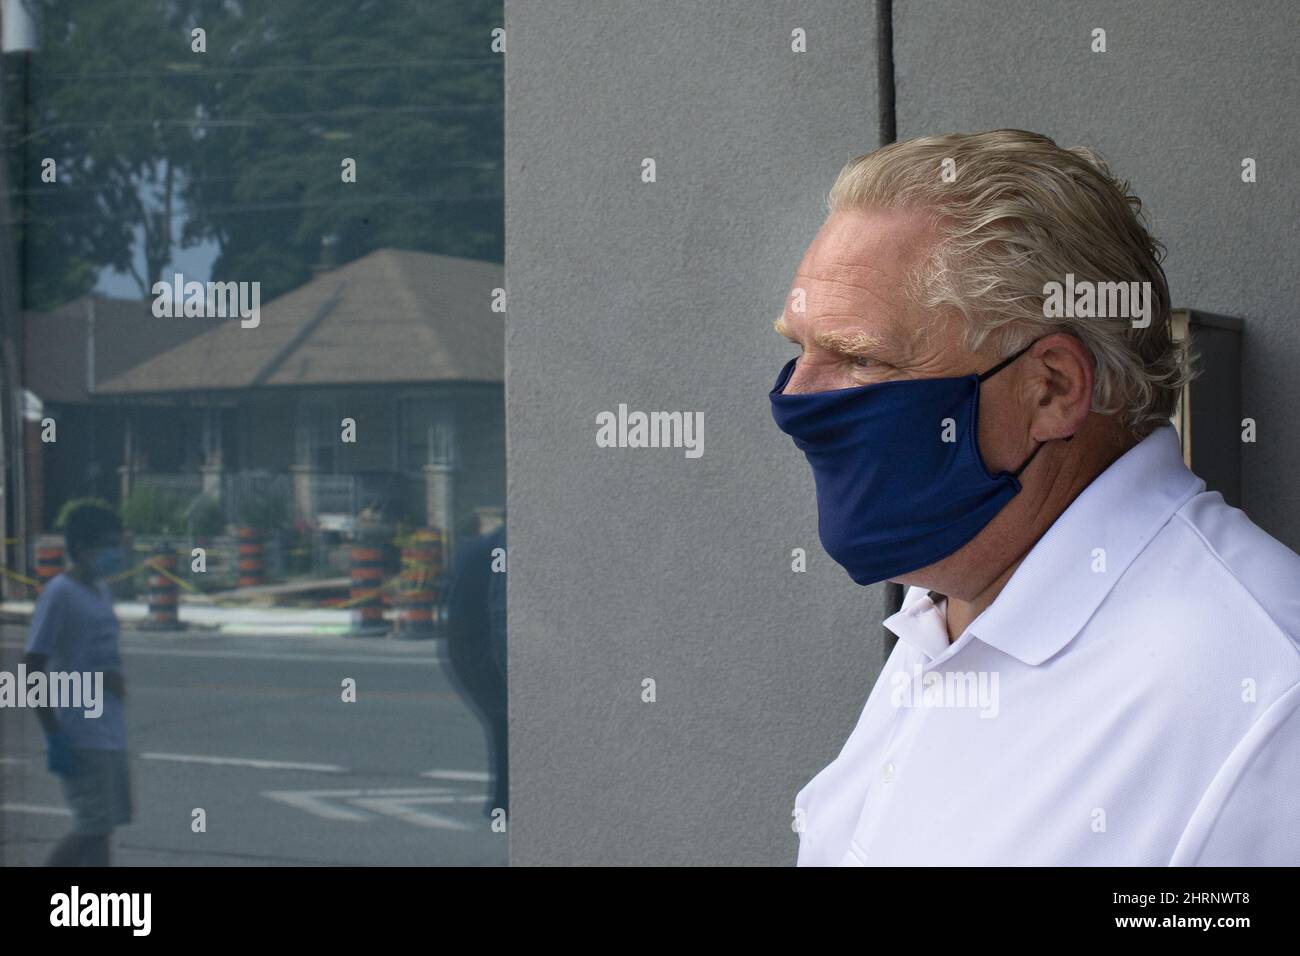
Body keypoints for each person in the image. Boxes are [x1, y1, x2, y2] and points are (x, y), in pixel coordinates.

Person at [770, 129, 1300, 865]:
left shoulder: (1263, 698)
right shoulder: (956, 603)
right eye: (801, 349)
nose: (795, 401)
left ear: (1050, 388)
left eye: (859, 358)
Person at [22, 501, 133, 866]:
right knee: (91, 828)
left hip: (109, 728)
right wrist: (53, 734)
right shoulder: (59, 594)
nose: (118, 553)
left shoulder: (100, 590)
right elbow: (33, 666)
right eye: (110, 546)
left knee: (101, 828)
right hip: (79, 731)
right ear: (84, 549)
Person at [444, 520, 508, 820]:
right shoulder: (505, 545)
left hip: (467, 646)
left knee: (507, 727)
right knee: (510, 723)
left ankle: (504, 805)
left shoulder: (492, 542)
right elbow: (501, 616)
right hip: (479, 650)